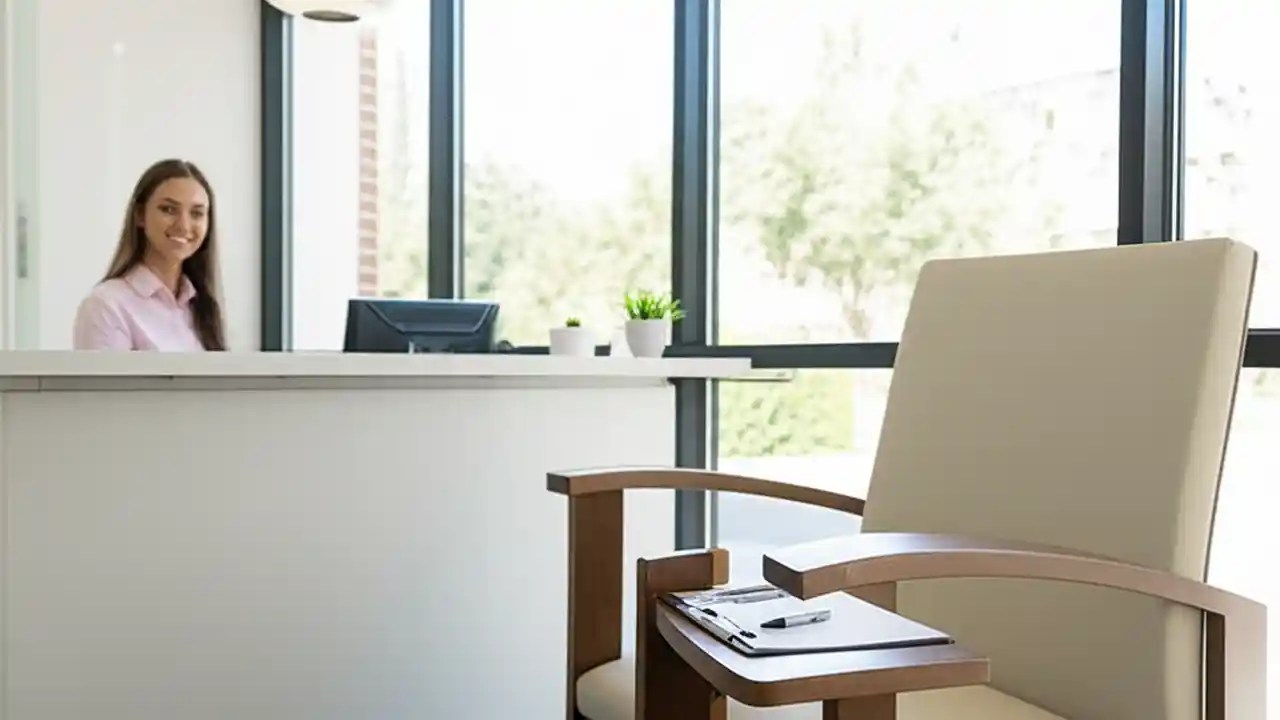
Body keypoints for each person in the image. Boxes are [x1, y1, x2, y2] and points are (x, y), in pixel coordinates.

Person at [72, 159, 227, 351]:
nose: (184, 226)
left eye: (196, 213)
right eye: (169, 210)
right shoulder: (106, 306)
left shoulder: (203, 308)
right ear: (139, 215)